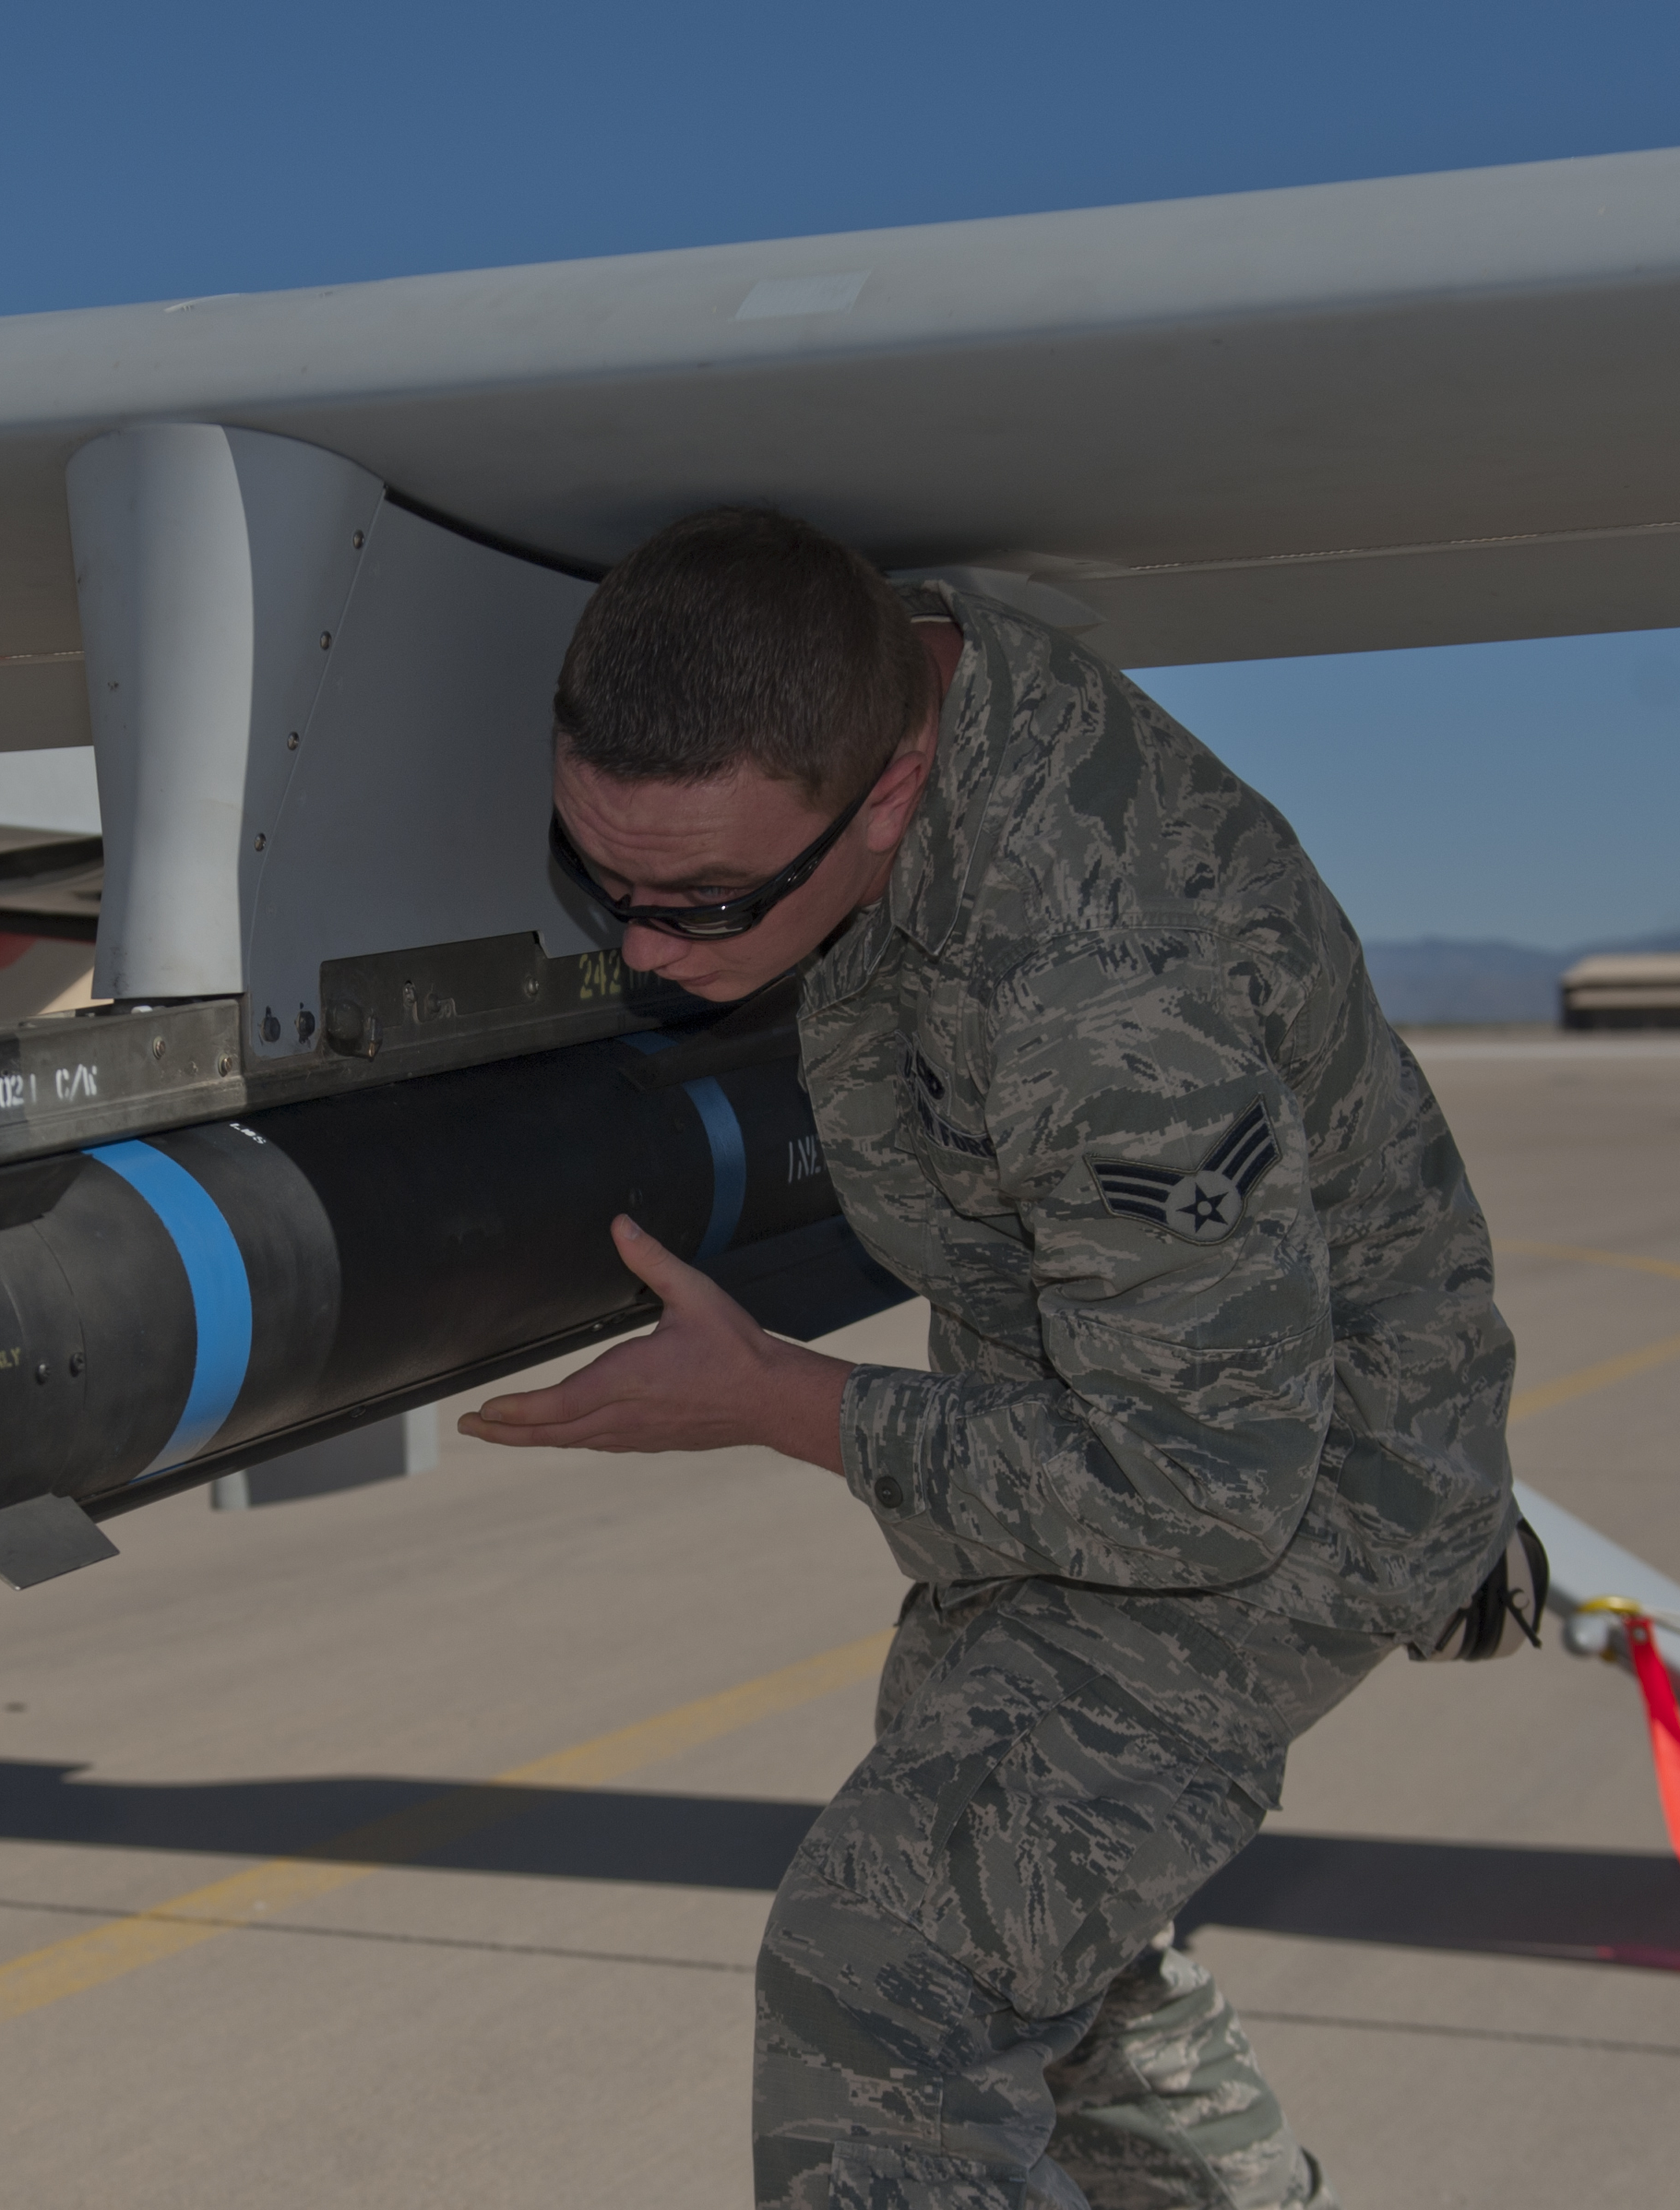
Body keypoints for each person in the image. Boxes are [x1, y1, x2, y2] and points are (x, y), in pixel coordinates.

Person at [465, 508, 1522, 2207]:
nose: (644, 949)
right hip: (1087, 1412)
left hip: (1296, 1481)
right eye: (607, 878)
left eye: (704, 901)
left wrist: (772, 1401)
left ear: (887, 796)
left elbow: (1197, 1491)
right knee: (1046, 1928)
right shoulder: (865, 680)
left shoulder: (1100, 1000)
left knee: (886, 1969)